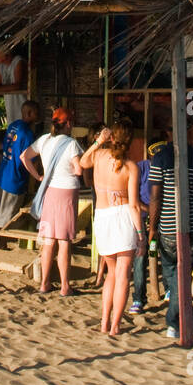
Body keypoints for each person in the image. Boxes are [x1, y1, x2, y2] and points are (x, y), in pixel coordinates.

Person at [148, 117, 193, 339]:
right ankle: (187, 319)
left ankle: (178, 321)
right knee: (182, 272)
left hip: (168, 223)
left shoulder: (160, 158)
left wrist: (152, 226)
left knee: (173, 272)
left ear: (168, 133)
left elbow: (156, 197)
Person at [79, 118, 142, 336]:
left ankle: (105, 321)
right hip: (122, 216)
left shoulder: (98, 156)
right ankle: (115, 325)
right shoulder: (130, 167)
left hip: (103, 216)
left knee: (111, 274)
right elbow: (133, 205)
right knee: (123, 274)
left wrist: (98, 142)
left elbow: (82, 162)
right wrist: (141, 234)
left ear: (111, 137)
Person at [21, 107, 83, 295]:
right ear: (69, 123)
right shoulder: (72, 144)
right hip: (67, 192)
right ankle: (65, 286)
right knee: (64, 241)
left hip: (49, 192)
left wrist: (39, 176)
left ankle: (44, 283)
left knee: (48, 240)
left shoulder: (44, 140)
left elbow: (24, 156)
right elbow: (79, 170)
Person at [0, 100, 39, 229]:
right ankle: (0, 240)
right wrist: (37, 177)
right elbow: (30, 158)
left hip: (4, 175)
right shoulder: (27, 134)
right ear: (29, 113)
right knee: (10, 215)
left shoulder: (13, 125)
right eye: (36, 113)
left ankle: (0, 238)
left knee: (2, 211)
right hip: (15, 178)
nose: (38, 117)